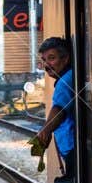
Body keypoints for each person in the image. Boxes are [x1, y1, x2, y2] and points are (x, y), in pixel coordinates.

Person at [30, 37, 75, 174]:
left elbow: (59, 110)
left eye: (51, 58)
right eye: (44, 60)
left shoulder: (65, 82)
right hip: (71, 148)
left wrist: (45, 131)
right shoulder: (69, 77)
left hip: (72, 148)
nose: (46, 64)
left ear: (65, 59)